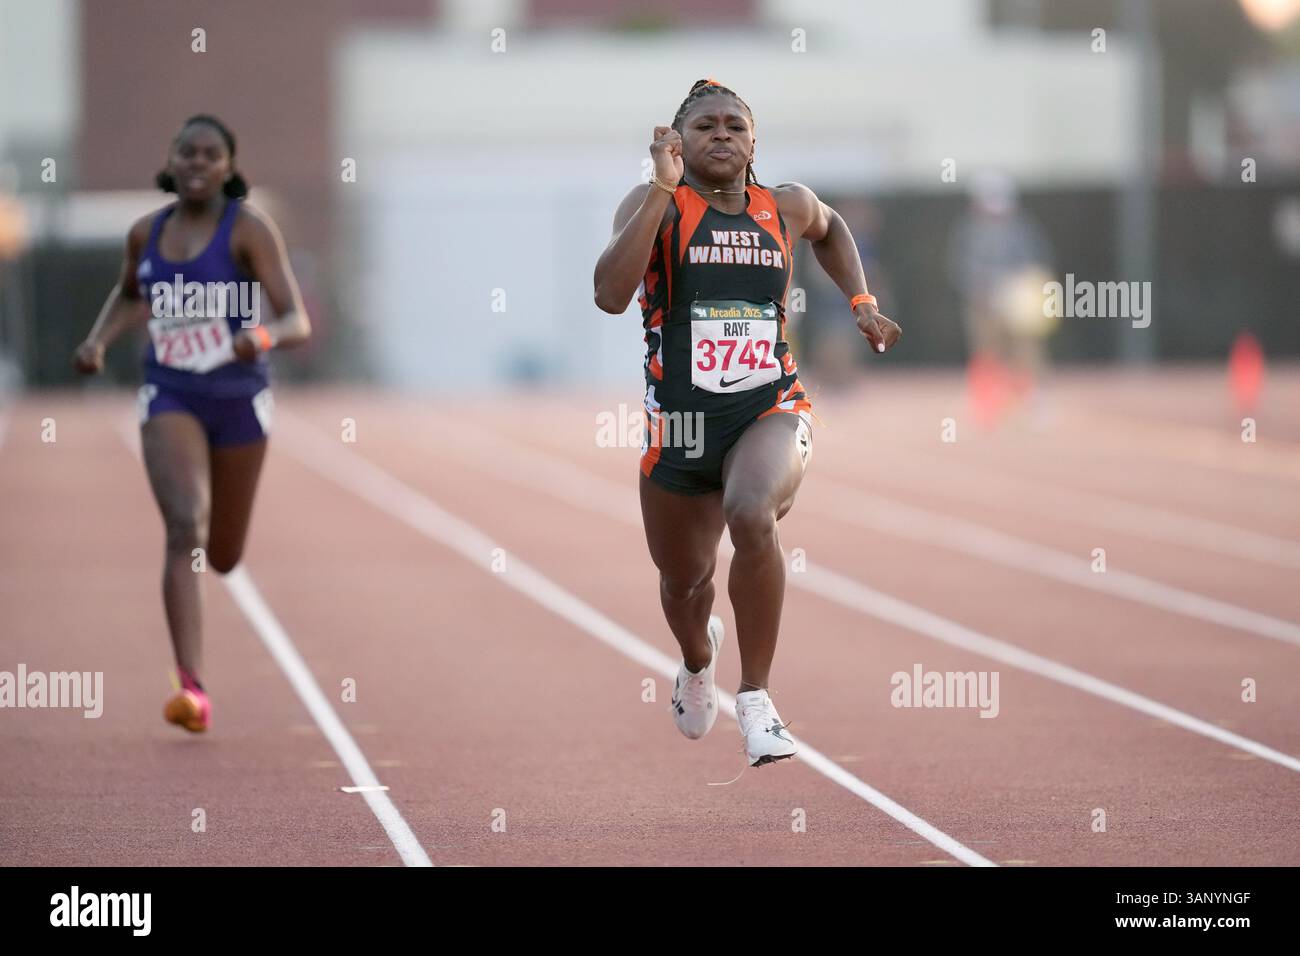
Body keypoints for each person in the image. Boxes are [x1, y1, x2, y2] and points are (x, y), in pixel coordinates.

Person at [593, 79, 900, 767]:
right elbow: (611, 294)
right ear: (677, 142)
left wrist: (861, 301)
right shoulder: (660, 209)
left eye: (736, 125)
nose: (722, 135)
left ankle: (757, 699)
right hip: (681, 431)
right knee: (684, 587)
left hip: (770, 408)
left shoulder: (783, 206)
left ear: (755, 141)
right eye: (705, 126)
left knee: (750, 511)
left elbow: (831, 226)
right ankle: (698, 663)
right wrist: (660, 188)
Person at [72, 114, 311, 733]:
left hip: (238, 396)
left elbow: (296, 320)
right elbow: (132, 294)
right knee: (185, 528)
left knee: (224, 556)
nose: (199, 163)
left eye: (212, 155)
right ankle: (192, 690)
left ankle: (197, 659)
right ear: (171, 161)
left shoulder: (250, 230)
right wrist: (98, 341)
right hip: (170, 391)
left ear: (229, 167)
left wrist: (258, 336)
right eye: (189, 153)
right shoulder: (144, 234)